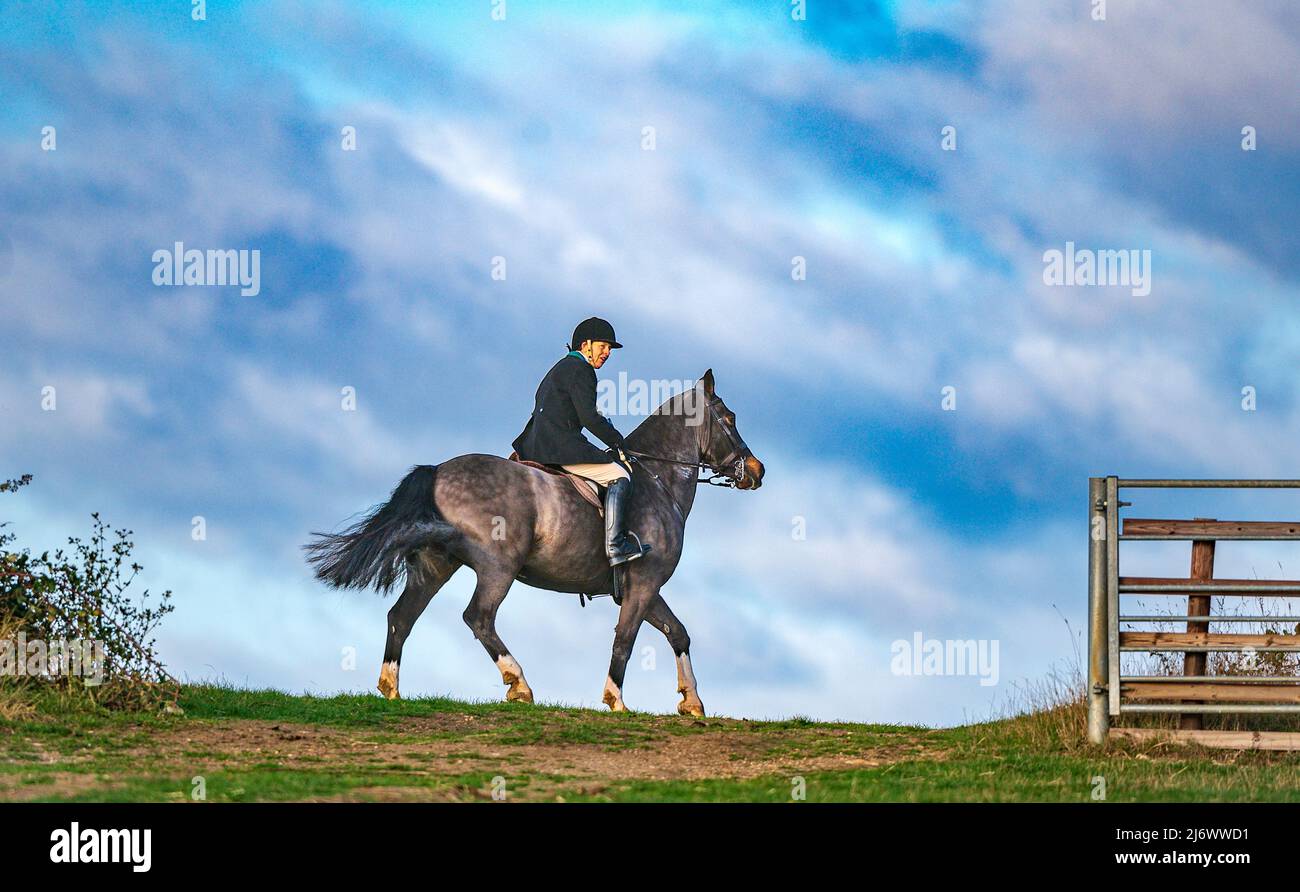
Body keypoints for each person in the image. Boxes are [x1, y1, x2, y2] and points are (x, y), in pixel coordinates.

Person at [512, 317, 652, 566]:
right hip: (558, 447)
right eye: (603, 346)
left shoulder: (559, 368)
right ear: (586, 345)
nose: (607, 353)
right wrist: (619, 443)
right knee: (620, 476)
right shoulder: (581, 370)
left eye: (610, 349)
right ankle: (616, 545)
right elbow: (589, 418)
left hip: (535, 443)